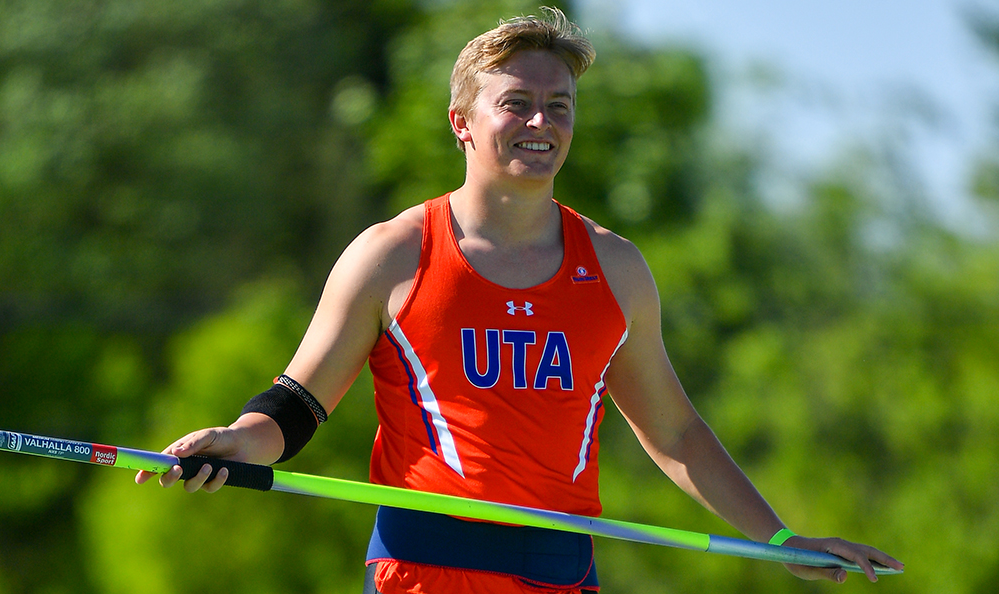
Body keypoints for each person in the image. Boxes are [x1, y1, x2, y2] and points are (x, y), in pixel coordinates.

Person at [136, 8, 903, 593]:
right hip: (423, 571)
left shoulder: (616, 268)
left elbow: (674, 432)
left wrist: (776, 539)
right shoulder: (394, 254)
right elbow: (298, 404)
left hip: (560, 572)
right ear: (462, 123)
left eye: (559, 104)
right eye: (516, 103)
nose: (541, 122)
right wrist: (239, 439)